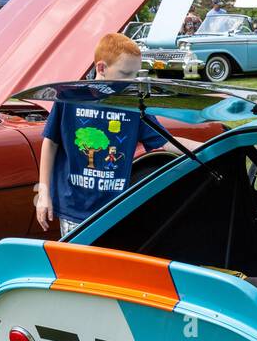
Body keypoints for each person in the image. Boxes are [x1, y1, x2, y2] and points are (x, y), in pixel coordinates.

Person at [34, 33, 167, 237]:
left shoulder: (133, 104)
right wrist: (44, 193)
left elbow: (165, 142)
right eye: (125, 74)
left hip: (114, 209)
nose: (131, 81)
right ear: (102, 68)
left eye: (135, 74)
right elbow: (50, 142)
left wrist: (218, 145)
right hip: (73, 208)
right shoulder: (69, 97)